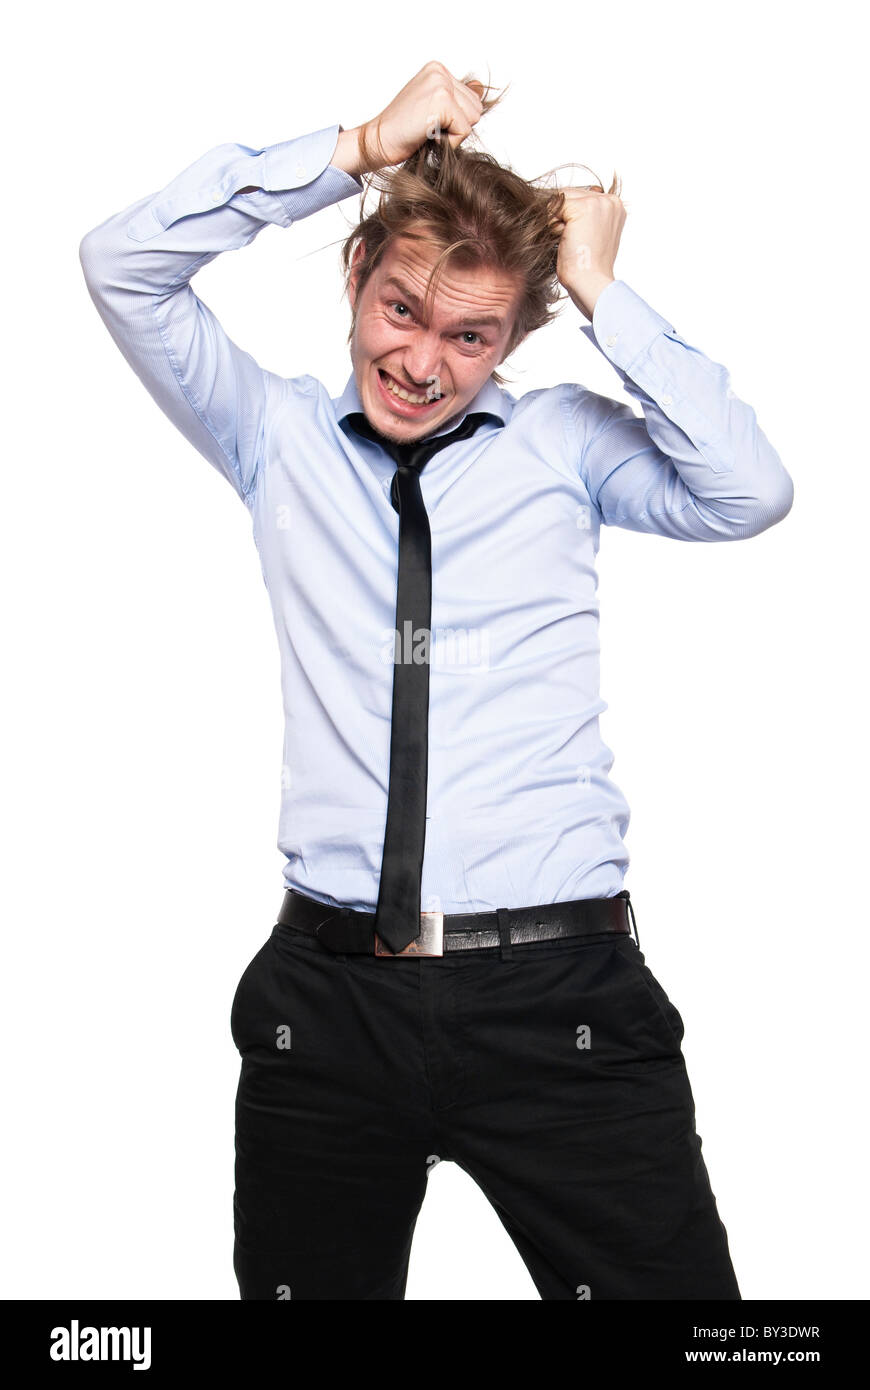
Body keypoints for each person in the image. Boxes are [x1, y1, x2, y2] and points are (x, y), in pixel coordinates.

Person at [79, 60, 793, 1301]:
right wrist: (353, 146)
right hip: (330, 998)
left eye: (471, 334)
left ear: (513, 337)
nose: (422, 360)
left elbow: (750, 490)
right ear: (356, 279)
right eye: (401, 309)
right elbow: (121, 264)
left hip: (562, 995)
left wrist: (601, 287)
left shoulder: (566, 445)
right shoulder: (276, 436)